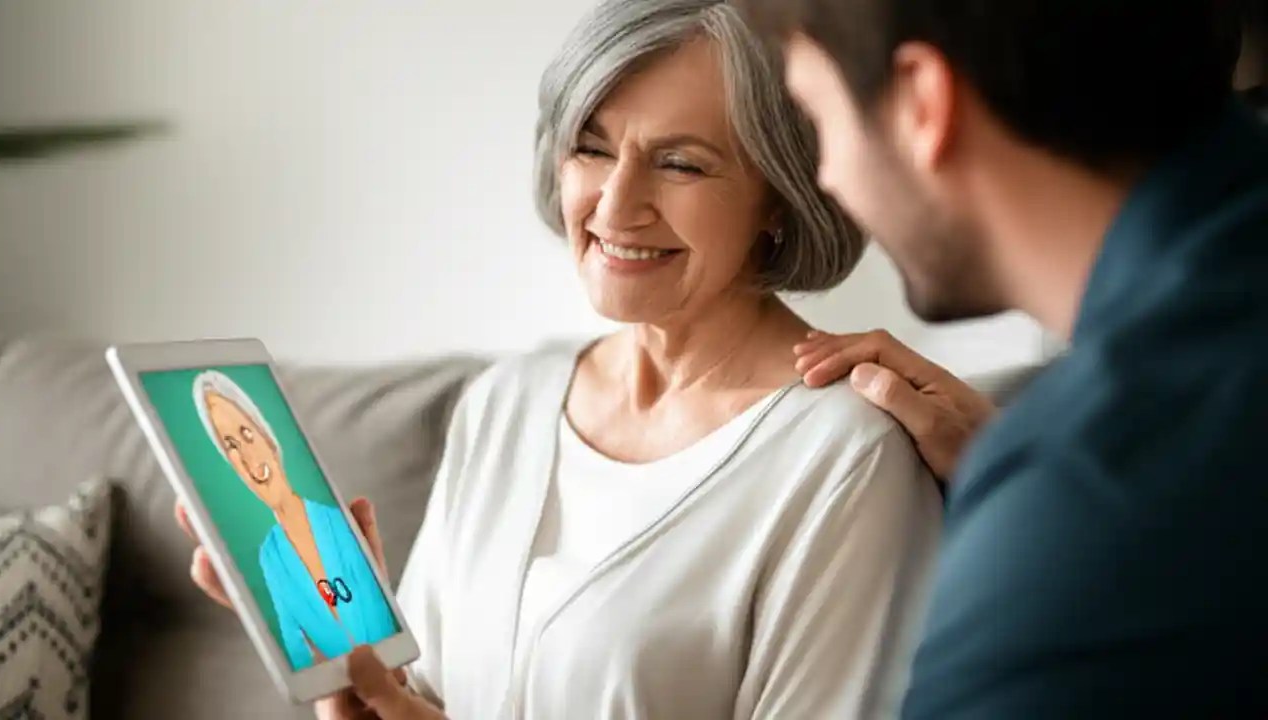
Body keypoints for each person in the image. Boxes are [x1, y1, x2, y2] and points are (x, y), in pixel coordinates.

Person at [177, 0, 944, 717]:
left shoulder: (845, 454)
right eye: (591, 147)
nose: (613, 206)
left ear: (779, 194)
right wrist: (357, 679)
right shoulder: (505, 403)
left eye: (680, 163)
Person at [738, 0, 1268, 716]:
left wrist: (1038, 517)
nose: (826, 176)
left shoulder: (1089, 499)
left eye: (815, 119)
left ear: (923, 101)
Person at [193, 371, 398, 670]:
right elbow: (295, 645)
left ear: (269, 440)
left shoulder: (336, 524)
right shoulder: (270, 556)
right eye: (231, 447)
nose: (247, 457)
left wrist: (390, 678)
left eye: (247, 434)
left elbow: (377, 621)